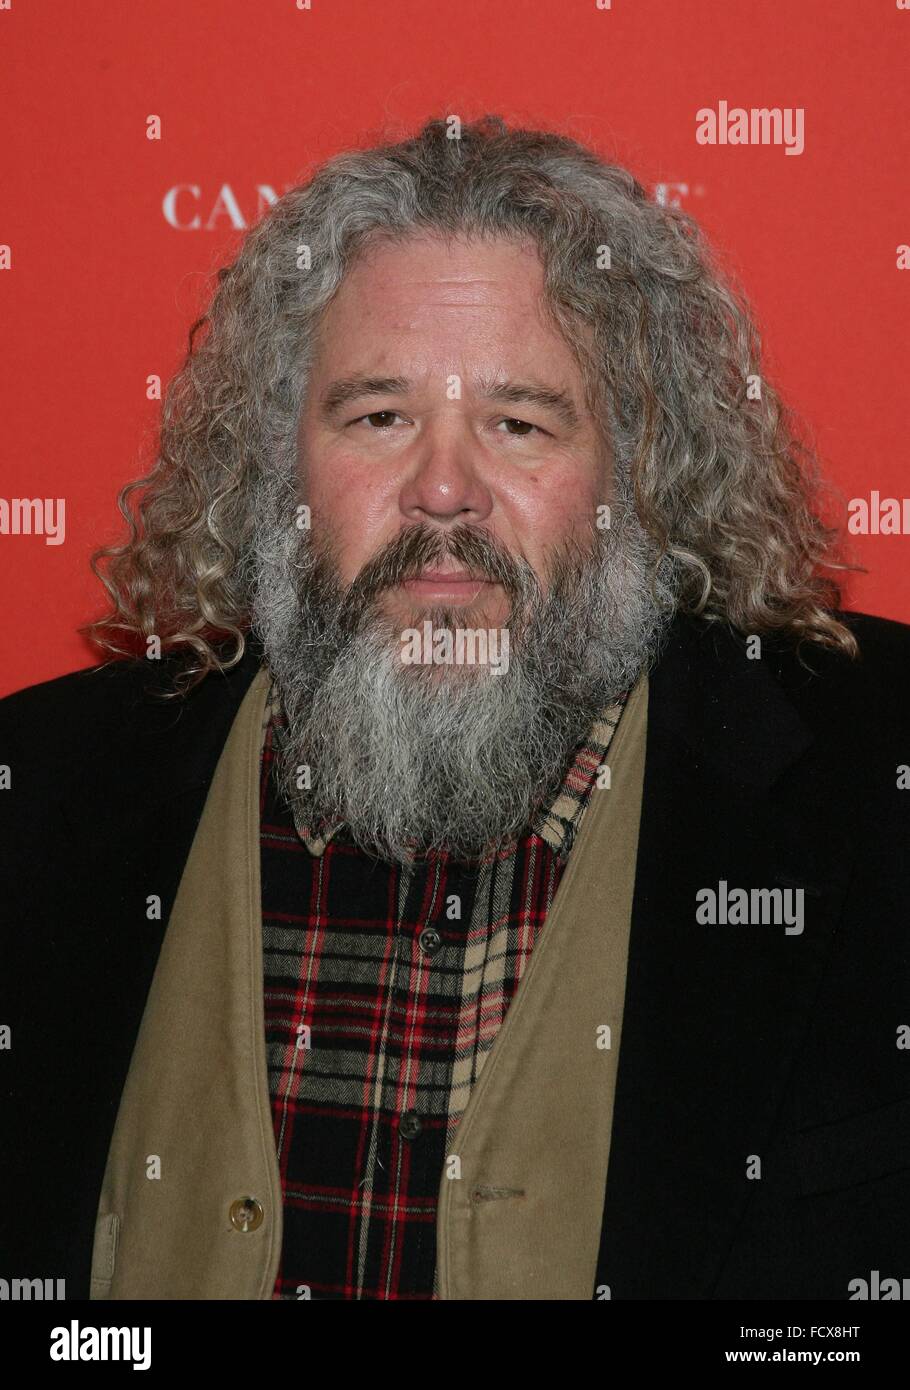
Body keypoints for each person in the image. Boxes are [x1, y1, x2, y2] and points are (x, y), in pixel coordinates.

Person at [2, 114, 908, 1302]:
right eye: (378, 416)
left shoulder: (878, 778)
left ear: (642, 467)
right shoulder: (40, 795)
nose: (442, 489)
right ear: (280, 466)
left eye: (519, 422)